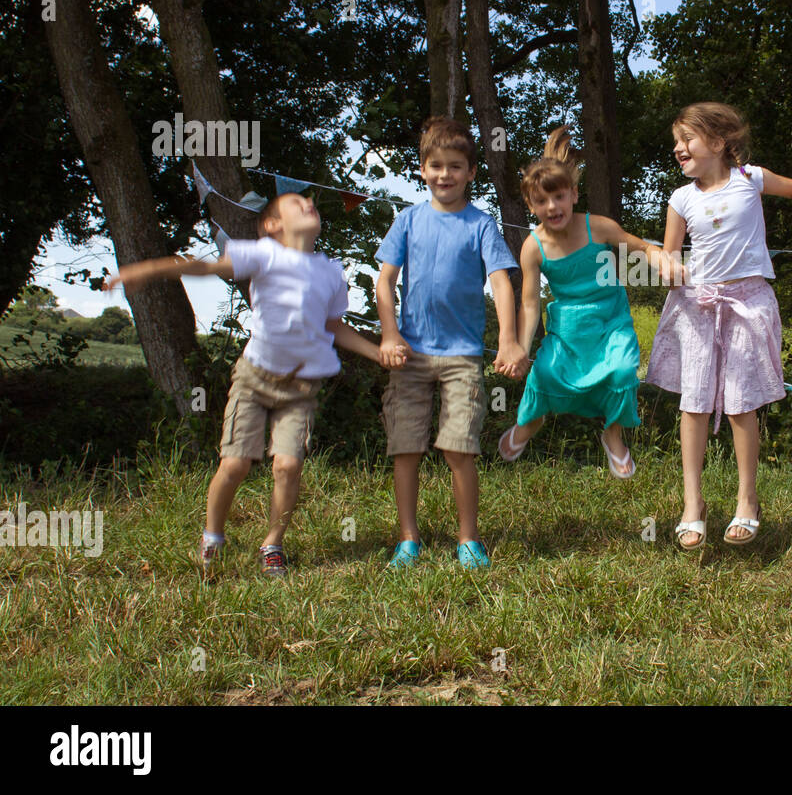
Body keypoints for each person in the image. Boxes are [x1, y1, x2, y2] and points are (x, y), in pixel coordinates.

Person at [106, 192, 383, 579]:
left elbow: (333, 326)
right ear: (271, 225)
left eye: (313, 206)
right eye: (295, 204)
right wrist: (148, 270)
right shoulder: (263, 254)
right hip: (254, 379)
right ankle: (213, 535)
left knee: (288, 465)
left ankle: (272, 544)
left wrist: (378, 352)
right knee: (235, 464)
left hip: (301, 387)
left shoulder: (331, 272)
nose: (309, 205)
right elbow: (206, 268)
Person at [645, 102, 792, 549]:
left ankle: (748, 499)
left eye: (687, 139)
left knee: (742, 403)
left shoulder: (751, 178)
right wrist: (667, 267)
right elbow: (669, 252)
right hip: (698, 305)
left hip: (747, 302)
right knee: (694, 405)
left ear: (720, 143)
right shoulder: (681, 198)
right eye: (676, 141)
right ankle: (693, 503)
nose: (678, 148)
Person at [376, 116, 525, 570]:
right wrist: (388, 333)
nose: (445, 174)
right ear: (423, 169)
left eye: (456, 166)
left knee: (458, 447)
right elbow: (384, 283)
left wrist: (509, 340)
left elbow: (501, 282)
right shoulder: (407, 221)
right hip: (410, 354)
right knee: (405, 447)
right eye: (436, 165)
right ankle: (408, 539)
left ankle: (468, 539)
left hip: (461, 356)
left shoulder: (482, 225)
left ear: (471, 172)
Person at [498, 125, 683, 477]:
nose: (552, 206)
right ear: (530, 205)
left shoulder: (597, 227)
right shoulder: (532, 247)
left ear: (573, 195)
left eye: (559, 197)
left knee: (623, 370)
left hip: (610, 320)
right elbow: (530, 304)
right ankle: (529, 423)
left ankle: (613, 434)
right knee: (547, 373)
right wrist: (521, 348)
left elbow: (640, 246)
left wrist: (658, 257)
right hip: (568, 327)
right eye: (541, 201)